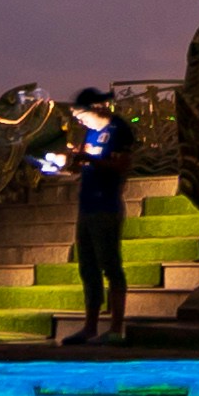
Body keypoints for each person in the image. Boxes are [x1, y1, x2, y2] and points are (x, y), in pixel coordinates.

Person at [64, 87, 136, 344]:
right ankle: (90, 326)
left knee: (110, 265)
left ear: (95, 108)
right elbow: (83, 163)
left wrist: (90, 161)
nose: (79, 120)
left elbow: (122, 166)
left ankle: (116, 328)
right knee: (88, 268)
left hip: (106, 207)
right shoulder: (90, 133)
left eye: (81, 114)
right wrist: (74, 161)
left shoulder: (119, 130)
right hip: (87, 207)